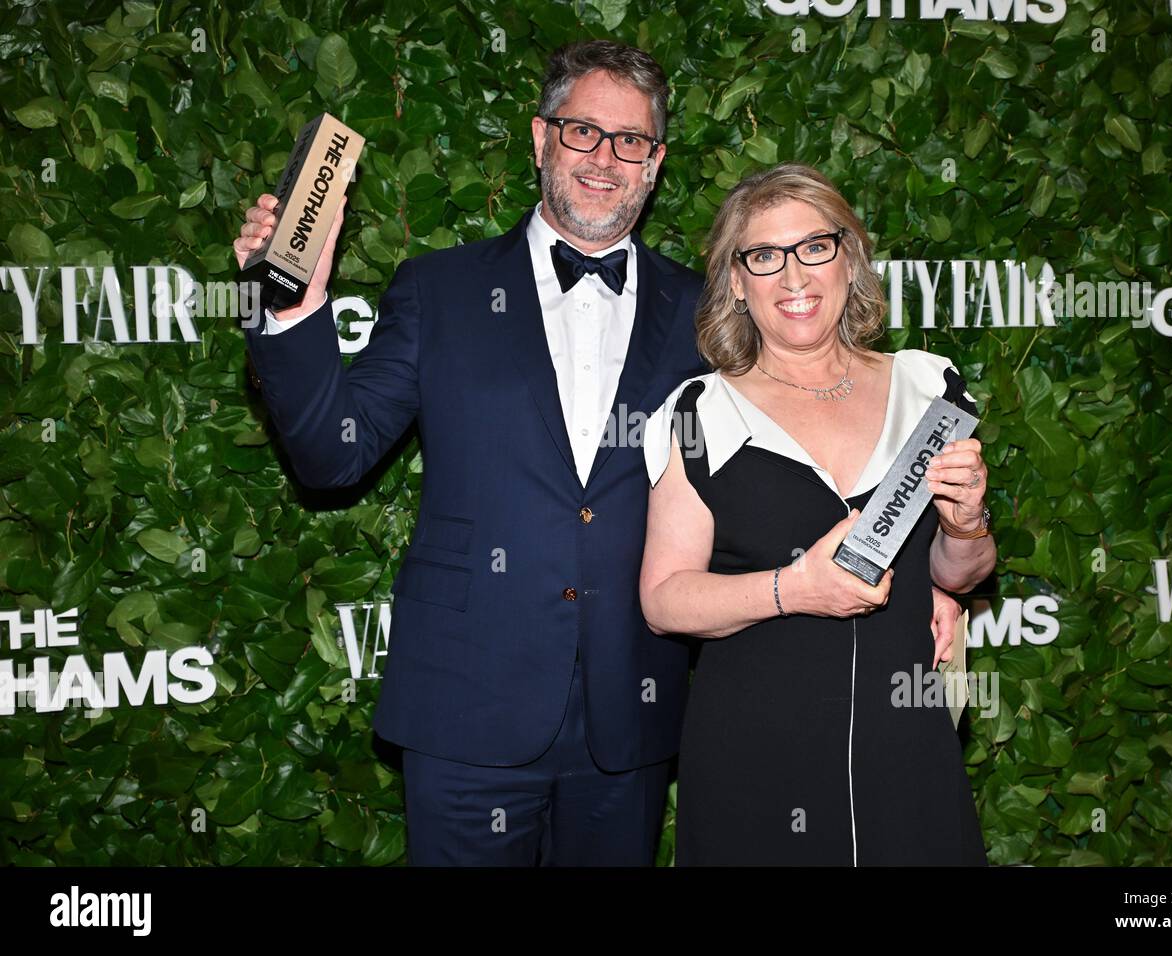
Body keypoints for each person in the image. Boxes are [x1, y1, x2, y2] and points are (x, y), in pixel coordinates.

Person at [233, 40, 966, 866]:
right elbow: (334, 457)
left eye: (631, 141)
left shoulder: (706, 310)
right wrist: (289, 311)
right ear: (541, 139)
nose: (605, 158)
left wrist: (932, 581)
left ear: (654, 165)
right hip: (468, 709)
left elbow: (803, 451)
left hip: (634, 714)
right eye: (583, 131)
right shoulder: (439, 290)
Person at [640, 163, 993, 865]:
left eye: (814, 247)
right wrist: (794, 588)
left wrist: (966, 524)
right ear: (736, 281)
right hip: (757, 761)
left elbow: (963, 573)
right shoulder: (699, 414)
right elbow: (663, 599)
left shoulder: (929, 386)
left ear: (848, 257)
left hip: (909, 750)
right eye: (764, 256)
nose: (793, 277)